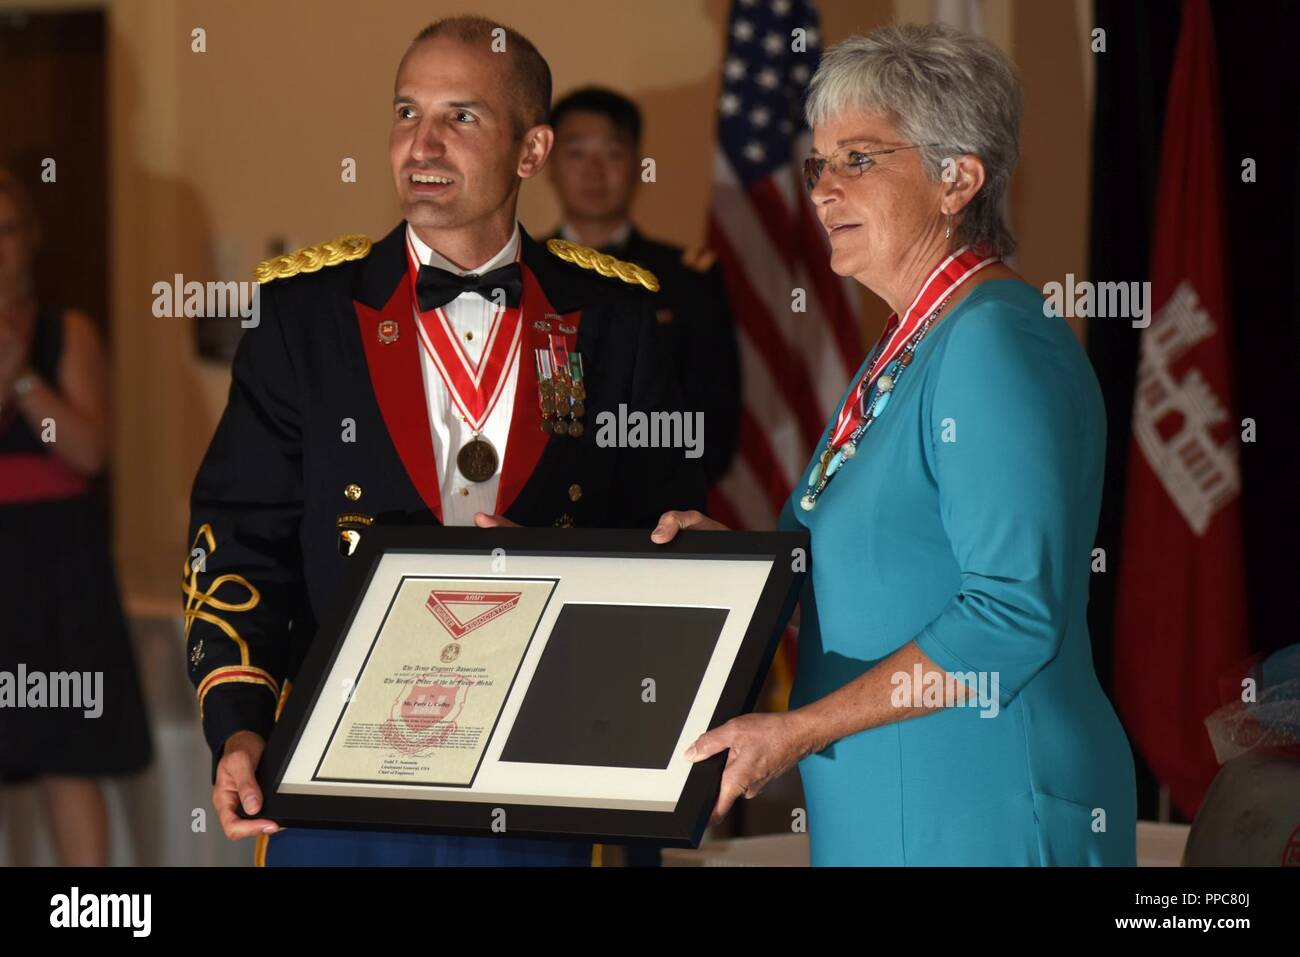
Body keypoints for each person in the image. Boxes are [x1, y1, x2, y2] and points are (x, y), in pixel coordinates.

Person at [184, 15, 705, 866]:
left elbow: (671, 534)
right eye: (405, 112)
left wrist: (566, 577)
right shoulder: (303, 316)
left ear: (531, 151)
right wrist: (239, 725)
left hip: (553, 762)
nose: (421, 143)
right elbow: (240, 537)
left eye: (461, 116)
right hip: (346, 771)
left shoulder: (614, 318)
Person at [651, 24, 1137, 865]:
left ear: (959, 180)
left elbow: (1013, 614)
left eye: (859, 160)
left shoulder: (992, 341)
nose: (823, 190)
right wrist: (719, 557)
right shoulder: (906, 345)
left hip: (986, 802)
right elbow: (880, 569)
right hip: (889, 801)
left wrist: (797, 731)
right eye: (819, 164)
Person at [0, 167, 151, 864]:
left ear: (30, 238)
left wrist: (22, 378)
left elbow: (88, 451)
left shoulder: (69, 331)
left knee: (69, 754)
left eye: (5, 230)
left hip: (58, 567)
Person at [545, 87, 741, 484]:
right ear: (547, 163)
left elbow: (715, 419)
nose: (594, 171)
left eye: (613, 154)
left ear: (637, 164)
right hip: (535, 517)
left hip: (654, 517)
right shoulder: (524, 269)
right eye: (577, 153)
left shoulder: (687, 277)